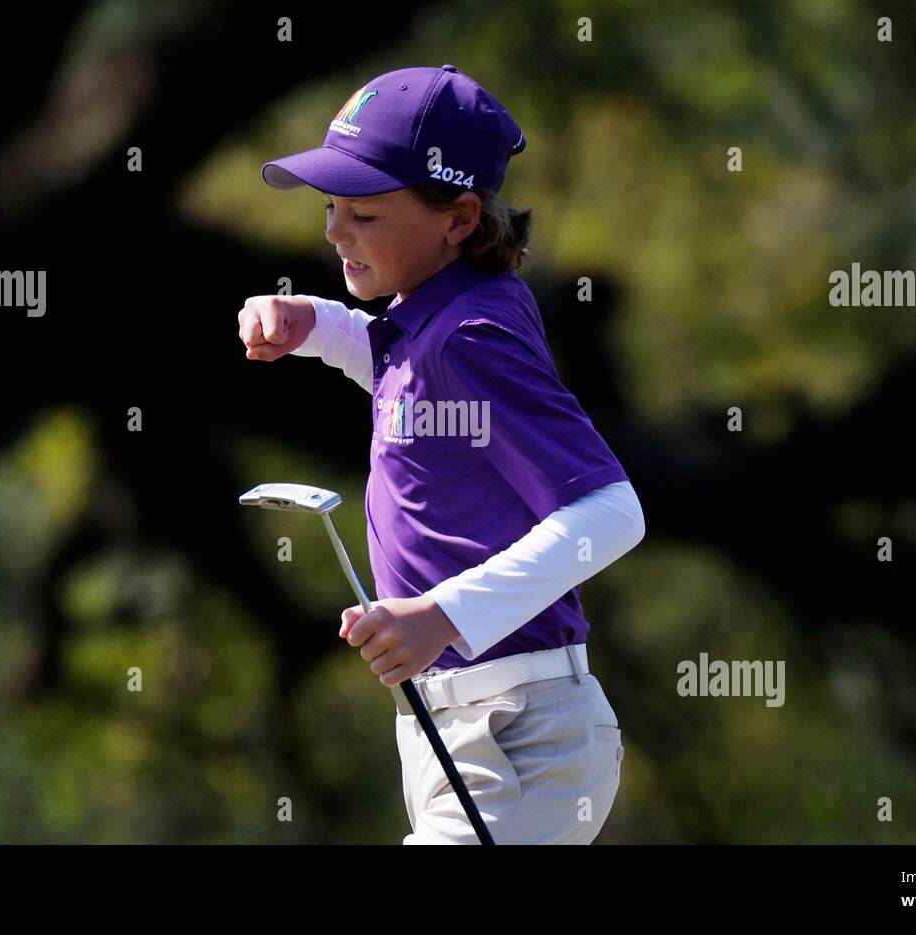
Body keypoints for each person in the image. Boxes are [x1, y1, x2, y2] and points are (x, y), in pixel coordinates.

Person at [238, 65, 645, 844]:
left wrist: (444, 615)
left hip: (521, 737)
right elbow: (418, 394)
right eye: (331, 207)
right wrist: (313, 325)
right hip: (458, 731)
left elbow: (612, 513)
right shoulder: (435, 318)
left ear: (459, 219)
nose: (333, 232)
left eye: (363, 212)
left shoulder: (471, 335)